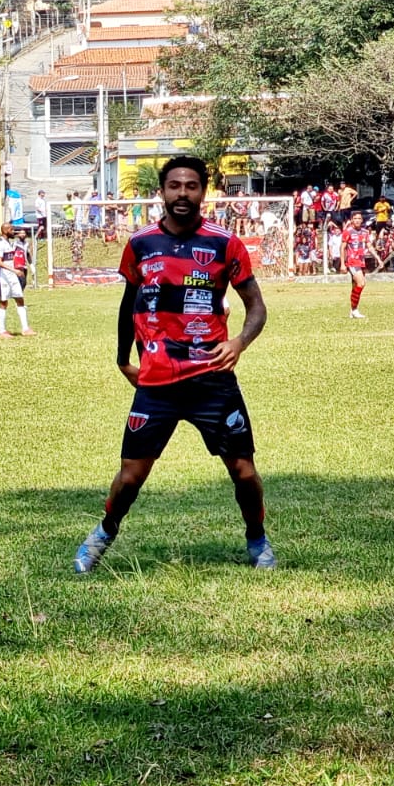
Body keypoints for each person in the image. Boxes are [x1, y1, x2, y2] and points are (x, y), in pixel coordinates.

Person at [73, 156, 274, 573]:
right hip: (158, 379)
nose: (183, 194)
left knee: (244, 471)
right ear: (162, 192)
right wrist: (122, 358)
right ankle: (103, 534)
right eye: (175, 186)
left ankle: (257, 539)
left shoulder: (224, 243)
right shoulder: (141, 244)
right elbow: (129, 304)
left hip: (212, 379)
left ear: (204, 191)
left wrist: (239, 342)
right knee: (130, 476)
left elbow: (256, 307)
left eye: (192, 186)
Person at [0, 223, 35, 338]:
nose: (14, 232)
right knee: (3, 302)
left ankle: (25, 328)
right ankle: (2, 331)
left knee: (20, 299)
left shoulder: (10, 243)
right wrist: (15, 270)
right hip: (2, 278)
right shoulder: (0, 243)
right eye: (12, 230)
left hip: (12, 277)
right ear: (5, 231)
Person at [342, 211, 382, 318]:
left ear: (362, 220)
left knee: (356, 286)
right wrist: (342, 263)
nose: (357, 220)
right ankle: (354, 310)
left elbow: (369, 246)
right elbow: (342, 248)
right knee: (361, 283)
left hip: (361, 261)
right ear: (351, 220)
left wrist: (378, 258)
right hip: (352, 261)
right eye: (355, 218)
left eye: (359, 218)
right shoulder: (348, 232)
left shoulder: (365, 232)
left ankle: (353, 309)